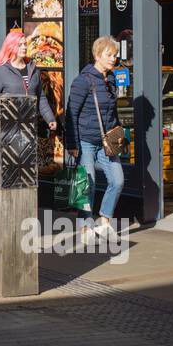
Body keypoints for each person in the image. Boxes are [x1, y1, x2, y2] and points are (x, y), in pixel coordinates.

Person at [65, 35, 125, 238]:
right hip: (85, 141)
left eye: (115, 55)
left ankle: (104, 220)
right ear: (98, 55)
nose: (113, 59)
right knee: (86, 183)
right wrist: (72, 142)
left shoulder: (111, 79)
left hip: (106, 141)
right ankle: (85, 225)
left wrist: (118, 133)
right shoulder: (83, 81)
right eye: (109, 55)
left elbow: (112, 111)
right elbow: (71, 113)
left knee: (117, 181)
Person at [0, 29, 57, 131]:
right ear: (11, 46)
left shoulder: (33, 68)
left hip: (30, 127)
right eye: (20, 45)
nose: (24, 47)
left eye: (25, 44)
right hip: (8, 129)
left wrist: (50, 118)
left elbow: (40, 97)